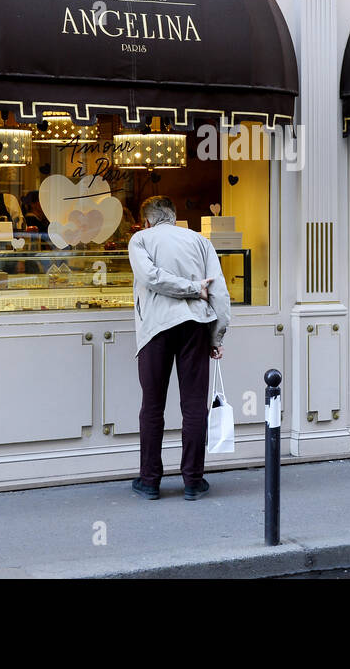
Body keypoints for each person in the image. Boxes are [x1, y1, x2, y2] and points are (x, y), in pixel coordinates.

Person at [127, 195, 230, 501]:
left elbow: (149, 277)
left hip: (155, 329)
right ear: (174, 216)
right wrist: (217, 336)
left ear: (146, 220)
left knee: (152, 405)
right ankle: (194, 481)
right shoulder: (200, 241)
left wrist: (188, 289)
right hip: (195, 326)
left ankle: (149, 481)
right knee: (194, 405)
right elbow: (219, 292)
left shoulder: (140, 240)